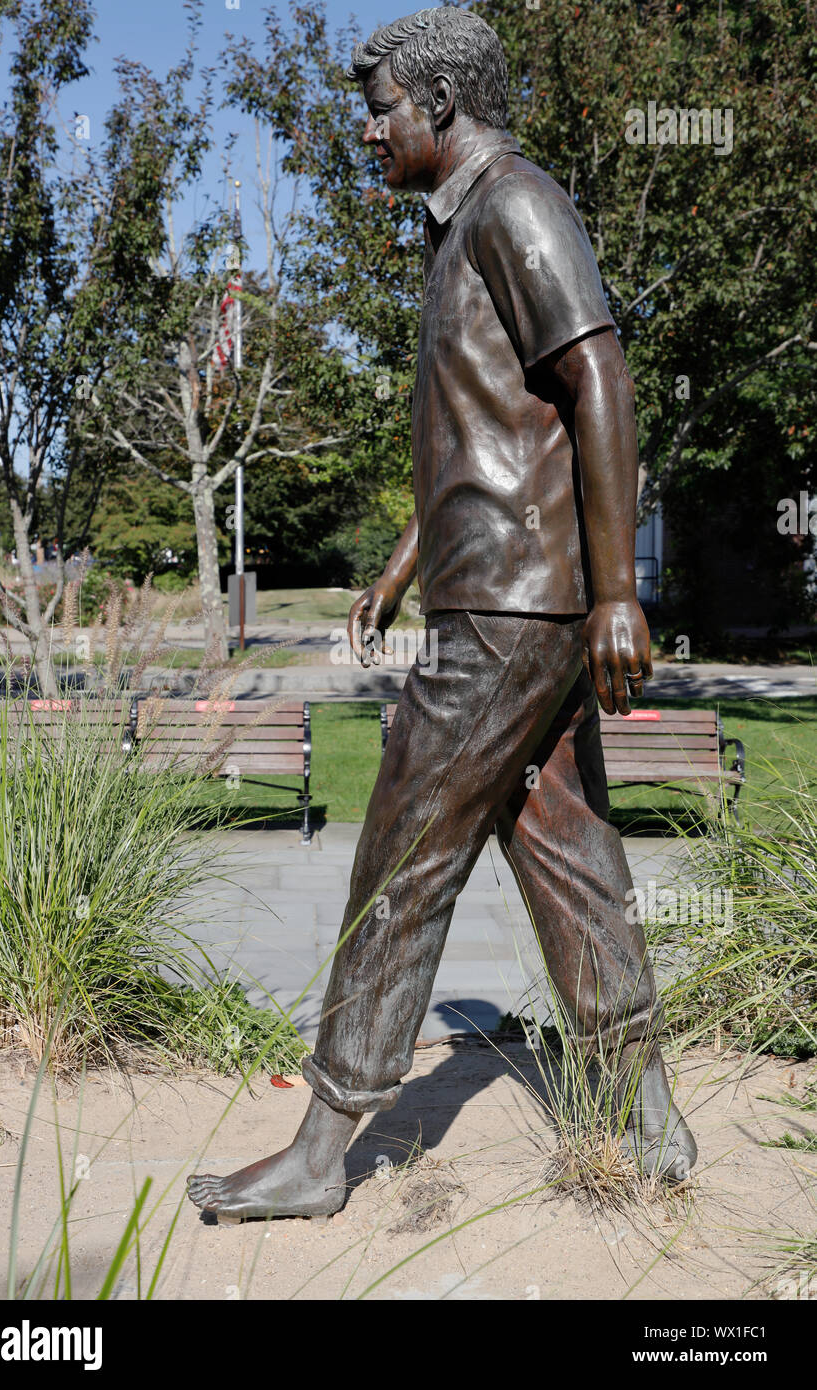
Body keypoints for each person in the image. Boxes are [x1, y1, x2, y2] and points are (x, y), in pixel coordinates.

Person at [188, 6, 697, 1223]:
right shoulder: (461, 226)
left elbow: (598, 377)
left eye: (381, 109)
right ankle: (650, 1118)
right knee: (563, 849)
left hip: (513, 611)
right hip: (494, 593)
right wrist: (402, 564)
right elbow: (489, 435)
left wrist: (618, 589)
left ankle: (322, 1147)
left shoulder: (514, 205)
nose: (367, 132)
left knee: (399, 853)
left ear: (444, 109)